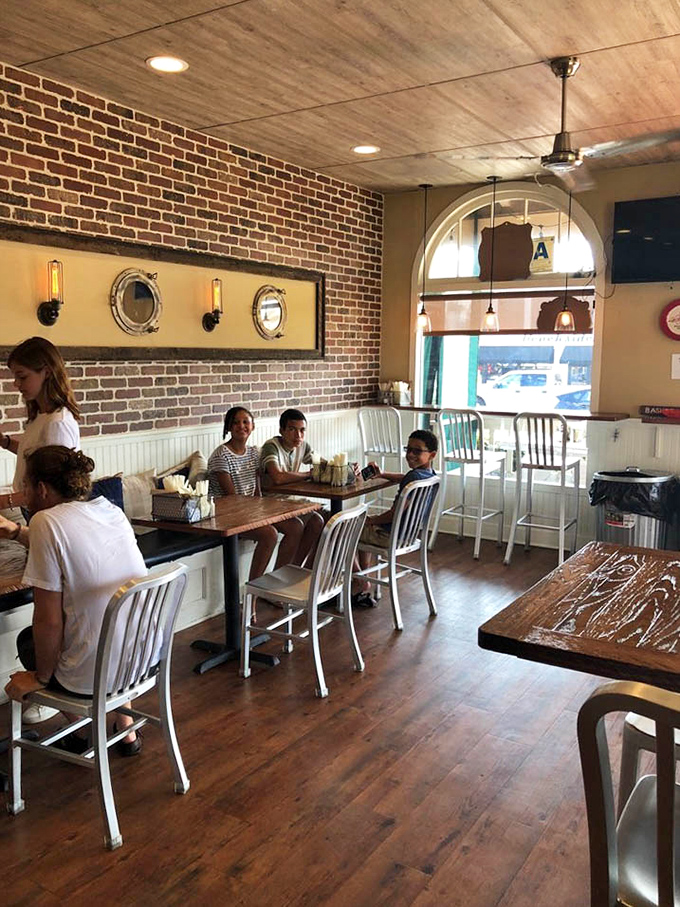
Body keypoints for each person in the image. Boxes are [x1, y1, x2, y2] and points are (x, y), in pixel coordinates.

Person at [2, 446, 146, 755]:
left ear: (41, 488)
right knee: (100, 624)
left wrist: (39, 678)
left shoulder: (45, 523)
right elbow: (70, 539)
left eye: (25, 485)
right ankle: (126, 731)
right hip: (142, 659)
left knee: (31, 641)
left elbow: (48, 620)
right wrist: (16, 532)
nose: (23, 492)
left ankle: (82, 732)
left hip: (94, 674)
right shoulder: (108, 509)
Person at [208, 406, 304, 616]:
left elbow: (257, 489)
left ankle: (277, 587)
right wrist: (260, 512)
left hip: (251, 510)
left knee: (296, 526)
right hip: (226, 516)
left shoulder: (254, 452)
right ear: (228, 427)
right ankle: (252, 593)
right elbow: (233, 500)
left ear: (252, 427)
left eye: (246, 422)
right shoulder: (221, 455)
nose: (241, 426)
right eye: (236, 422)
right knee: (269, 533)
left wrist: (264, 508)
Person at [0, 337, 81, 547]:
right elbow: (37, 455)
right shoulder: (42, 416)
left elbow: (54, 488)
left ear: (46, 372)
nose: (16, 384)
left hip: (51, 517)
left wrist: (5, 502)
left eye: (22, 376)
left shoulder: (57, 423)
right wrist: (6, 442)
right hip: (36, 511)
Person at [354, 429, 438, 607]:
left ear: (432, 454)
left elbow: (394, 513)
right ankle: (364, 577)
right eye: (408, 449)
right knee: (361, 527)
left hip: (389, 535)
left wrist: (371, 520)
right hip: (407, 536)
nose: (410, 455)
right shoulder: (429, 475)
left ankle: (359, 580)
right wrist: (382, 474)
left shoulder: (413, 477)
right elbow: (405, 478)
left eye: (417, 451)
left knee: (340, 532)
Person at [259, 408, 324, 565]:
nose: (298, 435)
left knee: (318, 521)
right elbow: (278, 477)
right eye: (292, 429)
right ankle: (279, 575)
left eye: (302, 430)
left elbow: (324, 465)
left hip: (288, 502)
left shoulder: (303, 446)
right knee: (295, 527)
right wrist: (307, 475)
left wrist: (346, 467)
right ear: (282, 430)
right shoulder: (271, 446)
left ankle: (295, 568)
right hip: (266, 504)